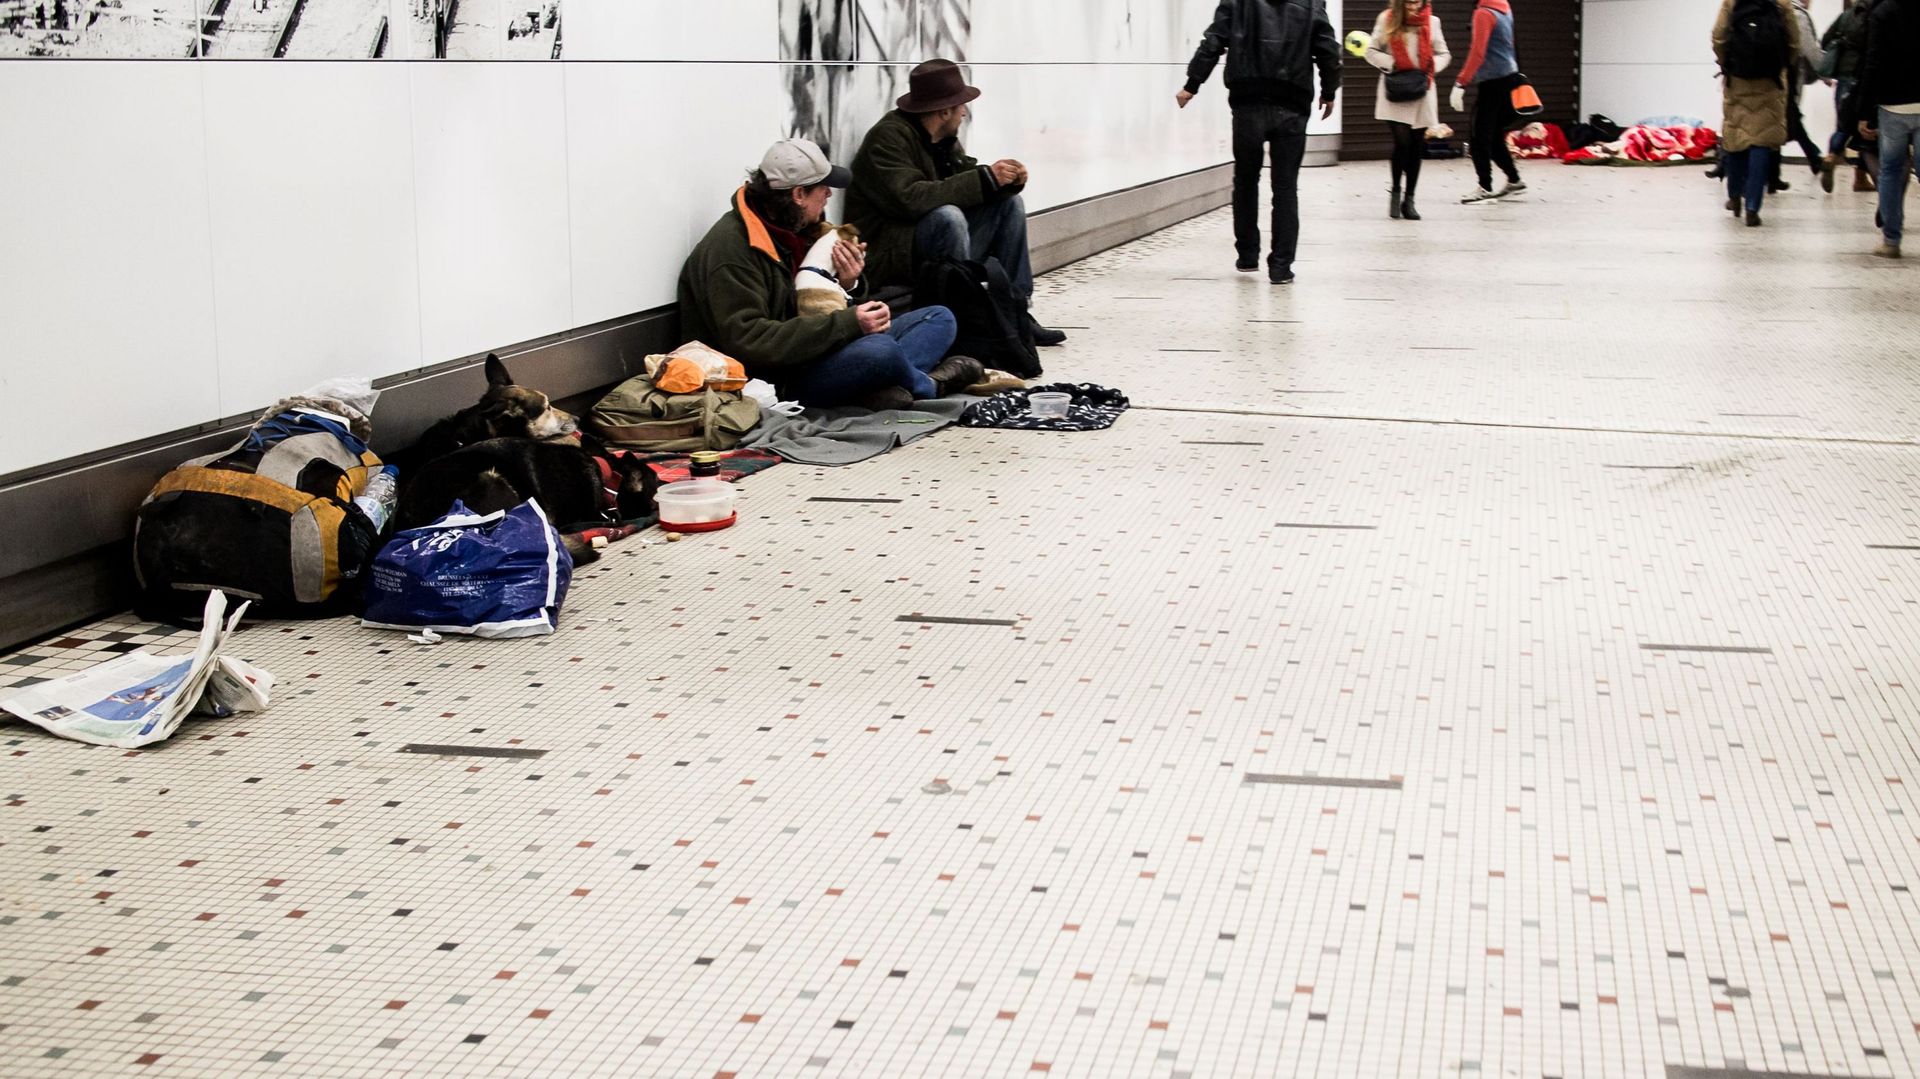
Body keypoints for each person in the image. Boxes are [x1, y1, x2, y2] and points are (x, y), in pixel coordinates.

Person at [678, 138, 983, 411]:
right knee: (881, 351)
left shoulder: (796, 226)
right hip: (778, 378)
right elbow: (751, 342)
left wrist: (849, 283)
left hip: (817, 350)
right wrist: (849, 324)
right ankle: (928, 386)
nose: (829, 195)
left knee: (938, 318)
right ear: (798, 194)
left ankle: (878, 388)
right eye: (823, 188)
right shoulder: (732, 251)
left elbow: (817, 303)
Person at [843, 59, 1066, 347]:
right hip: (890, 254)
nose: (964, 112)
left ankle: (1015, 313)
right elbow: (911, 199)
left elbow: (967, 182)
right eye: (961, 106)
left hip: (927, 246)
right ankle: (963, 321)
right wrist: (986, 179)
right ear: (944, 111)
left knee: (1010, 205)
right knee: (948, 217)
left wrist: (1004, 181)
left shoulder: (942, 138)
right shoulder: (887, 139)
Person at [1176, 0, 1341, 284]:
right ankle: (1280, 267)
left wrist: (1192, 85)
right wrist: (1329, 91)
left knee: (1245, 180)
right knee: (1286, 187)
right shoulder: (1311, 2)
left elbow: (1214, 40)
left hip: (1248, 102)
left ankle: (1247, 255)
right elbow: (1327, 49)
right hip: (1292, 103)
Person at [1712, 0, 1799, 227]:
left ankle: (1734, 195)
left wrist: (1726, 62)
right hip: (1771, 81)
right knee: (1761, 142)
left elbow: (1718, 36)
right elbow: (1794, 41)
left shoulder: (1732, 2)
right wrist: (1782, 64)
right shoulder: (1782, 3)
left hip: (1737, 78)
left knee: (1736, 137)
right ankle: (1752, 207)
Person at [1365, 0, 1451, 221]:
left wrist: (1433, 64)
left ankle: (1409, 200)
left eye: (1417, 2)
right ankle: (1395, 190)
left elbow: (1444, 54)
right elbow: (1370, 51)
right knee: (1402, 143)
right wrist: (1392, 62)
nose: (1413, 7)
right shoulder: (1387, 19)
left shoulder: (1432, 22)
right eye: (1409, 3)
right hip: (1396, 89)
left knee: (1416, 146)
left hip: (1422, 89)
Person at [1857, 0, 1919, 257]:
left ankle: (1891, 241)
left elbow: (1873, 63)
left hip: (1893, 105)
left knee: (1891, 171)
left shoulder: (1883, 12)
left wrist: (1864, 112)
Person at [1451, 0, 1526, 204]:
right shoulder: (1504, 7)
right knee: (1493, 134)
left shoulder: (1484, 13)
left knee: (1478, 135)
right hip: (1508, 77)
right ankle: (1514, 179)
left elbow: (1478, 52)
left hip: (1492, 82)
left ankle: (1485, 187)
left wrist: (1461, 83)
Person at [1820, 0, 1869, 191]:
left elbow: (1825, 40)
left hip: (1843, 76)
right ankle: (1860, 177)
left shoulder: (1847, 15)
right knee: (1867, 128)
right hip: (1863, 76)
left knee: (1843, 124)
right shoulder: (1875, 15)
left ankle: (1831, 155)